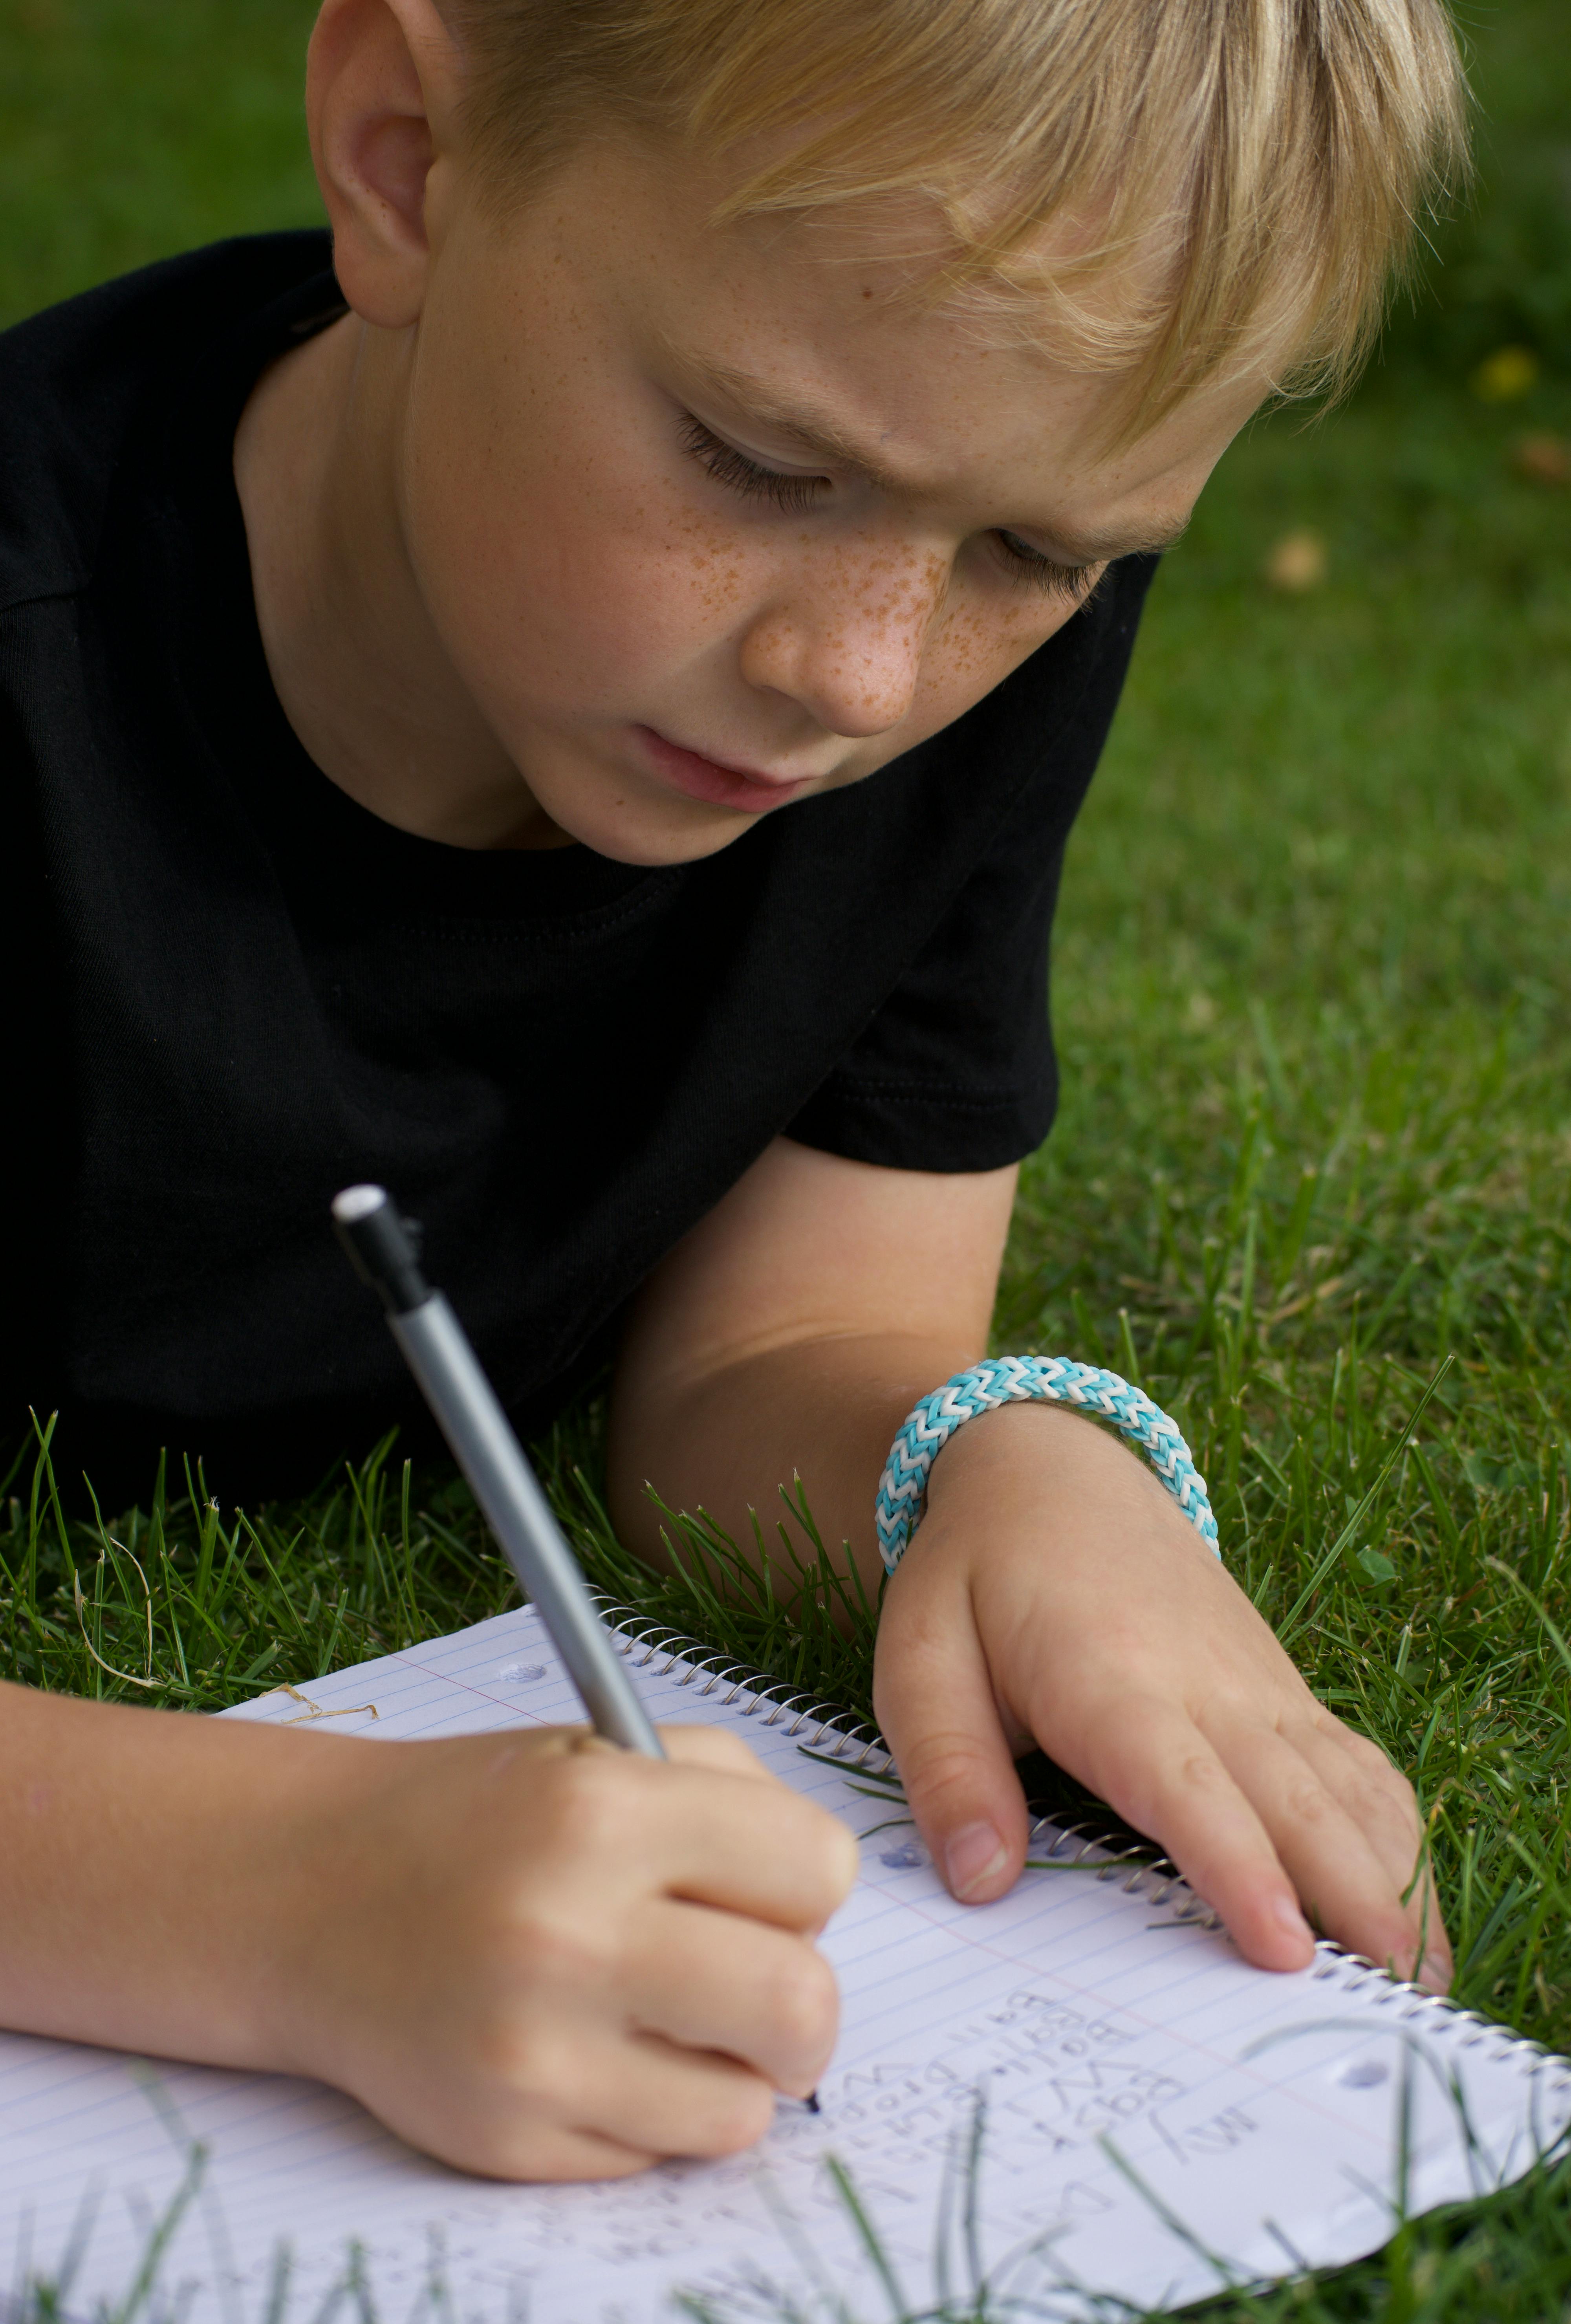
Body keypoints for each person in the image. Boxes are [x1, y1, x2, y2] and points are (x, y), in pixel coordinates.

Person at [0, 0, 1466, 2181]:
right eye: (765, 466)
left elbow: (781, 1343)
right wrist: (276, 1899)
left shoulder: (948, 607)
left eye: (1043, 557)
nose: (859, 676)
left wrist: (997, 1464)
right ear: (406, 158)